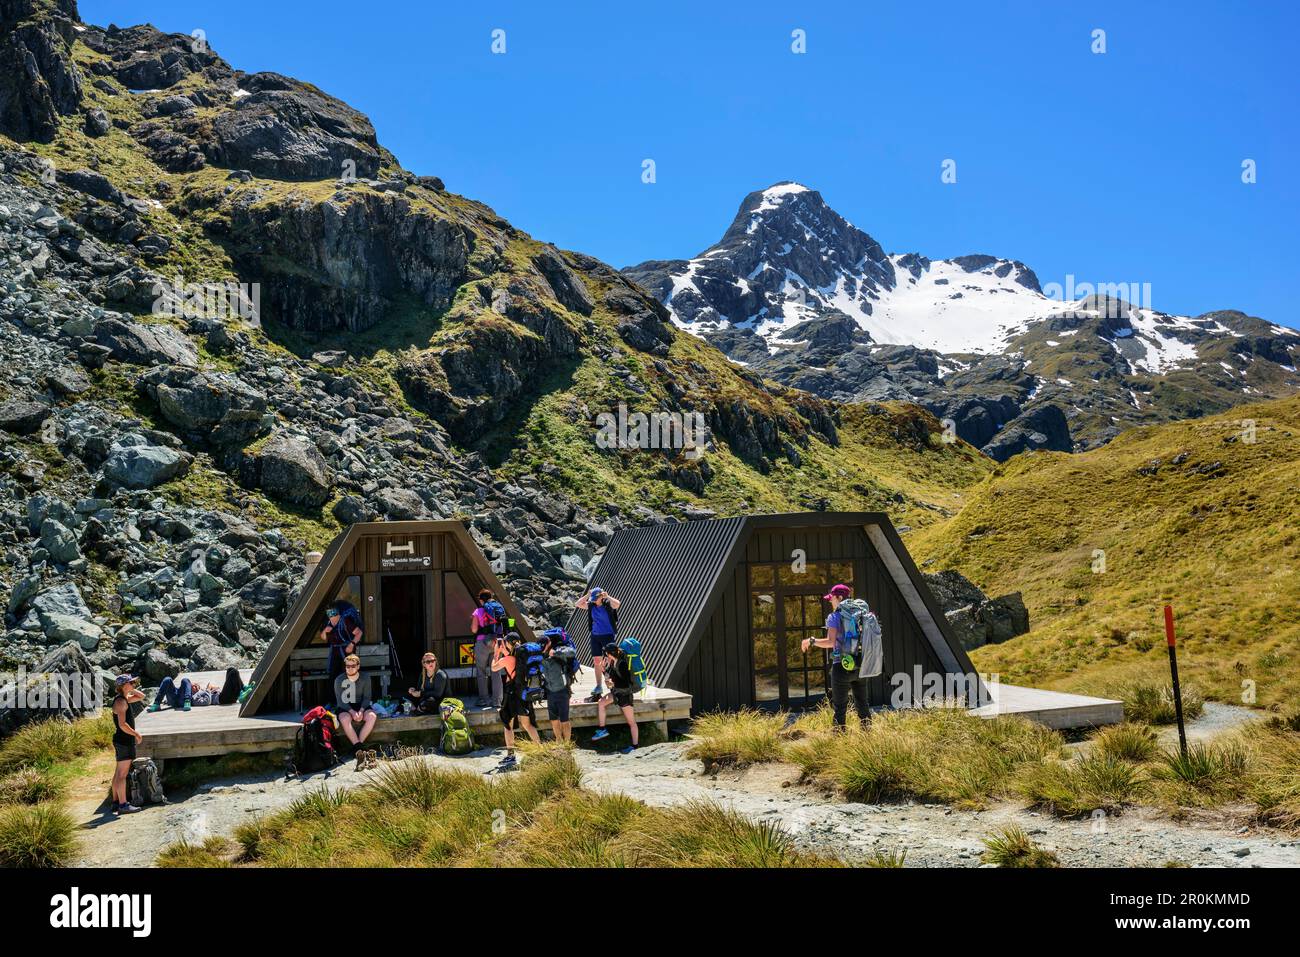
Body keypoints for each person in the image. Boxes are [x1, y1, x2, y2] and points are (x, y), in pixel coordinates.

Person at [802, 583, 870, 728]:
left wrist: (812, 640)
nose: (830, 601)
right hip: (860, 665)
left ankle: (839, 741)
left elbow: (830, 642)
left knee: (840, 709)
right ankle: (868, 737)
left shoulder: (834, 616)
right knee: (863, 705)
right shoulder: (860, 614)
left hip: (842, 666)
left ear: (839, 597)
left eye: (832, 598)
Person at [491, 631, 542, 770]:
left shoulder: (508, 659)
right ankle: (540, 751)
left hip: (512, 694)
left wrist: (496, 652)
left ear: (508, 644)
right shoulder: (522, 658)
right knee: (527, 724)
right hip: (524, 693)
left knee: (508, 724)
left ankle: (510, 754)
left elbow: (494, 668)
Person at [590, 642, 638, 754]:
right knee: (601, 703)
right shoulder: (613, 662)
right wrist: (603, 670)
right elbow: (611, 677)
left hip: (625, 695)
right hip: (616, 693)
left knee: (631, 722)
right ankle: (602, 730)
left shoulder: (622, 664)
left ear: (609, 654)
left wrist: (613, 684)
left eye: (605, 654)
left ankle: (635, 746)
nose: (605, 656)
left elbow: (626, 683)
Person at [575, 587, 620, 702]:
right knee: (596, 661)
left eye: (596, 598)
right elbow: (578, 604)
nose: (594, 600)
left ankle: (614, 683)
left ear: (601, 596)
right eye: (593, 598)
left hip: (608, 635)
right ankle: (599, 685)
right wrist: (587, 595)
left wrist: (607, 596)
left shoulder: (607, 604)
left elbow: (617, 604)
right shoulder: (591, 605)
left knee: (611, 660)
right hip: (595, 636)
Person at [110, 674, 145, 815]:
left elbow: (141, 696)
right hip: (124, 741)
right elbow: (123, 725)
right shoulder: (121, 702)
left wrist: (131, 689)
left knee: (118, 773)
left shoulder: (123, 699)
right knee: (122, 775)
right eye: (131, 682)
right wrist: (136, 734)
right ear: (124, 685)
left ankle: (115, 802)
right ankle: (123, 805)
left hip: (121, 740)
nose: (134, 683)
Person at [471, 589, 505, 710]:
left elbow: (474, 629)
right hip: (497, 642)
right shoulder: (498, 608)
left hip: (483, 643)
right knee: (496, 672)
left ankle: (484, 699)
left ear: (481, 600)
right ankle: (497, 701)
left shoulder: (479, 611)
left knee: (481, 671)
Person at [540, 630, 576, 743]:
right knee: (554, 720)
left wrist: (554, 653)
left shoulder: (558, 650)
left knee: (564, 720)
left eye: (543, 644)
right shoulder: (540, 655)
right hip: (550, 691)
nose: (542, 646)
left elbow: (572, 652)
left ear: (549, 643)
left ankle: (567, 743)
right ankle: (559, 741)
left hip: (562, 691)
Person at [334, 654, 377, 747]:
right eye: (347, 666)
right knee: (344, 719)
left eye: (353, 666)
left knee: (372, 716)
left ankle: (359, 744)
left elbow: (367, 697)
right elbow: (341, 701)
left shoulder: (365, 678)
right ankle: (357, 746)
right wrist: (352, 712)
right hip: (345, 706)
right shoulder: (339, 680)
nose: (350, 668)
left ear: (358, 666)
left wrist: (361, 710)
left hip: (361, 705)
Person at [322, 602, 363, 683]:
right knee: (334, 675)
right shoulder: (329, 624)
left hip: (347, 651)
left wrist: (352, 644)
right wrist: (325, 631)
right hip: (335, 652)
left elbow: (359, 633)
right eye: (329, 614)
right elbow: (323, 637)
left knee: (348, 675)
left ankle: (350, 694)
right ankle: (335, 694)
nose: (332, 616)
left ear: (338, 612)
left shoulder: (345, 621)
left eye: (334, 613)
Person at [147, 675, 222, 712]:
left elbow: (207, 698)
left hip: (183, 700)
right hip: (173, 698)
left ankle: (187, 702)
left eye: (197, 688)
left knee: (185, 679)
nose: (195, 687)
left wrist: (209, 689)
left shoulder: (196, 694)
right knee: (167, 679)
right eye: (195, 685)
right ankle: (156, 704)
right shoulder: (186, 687)